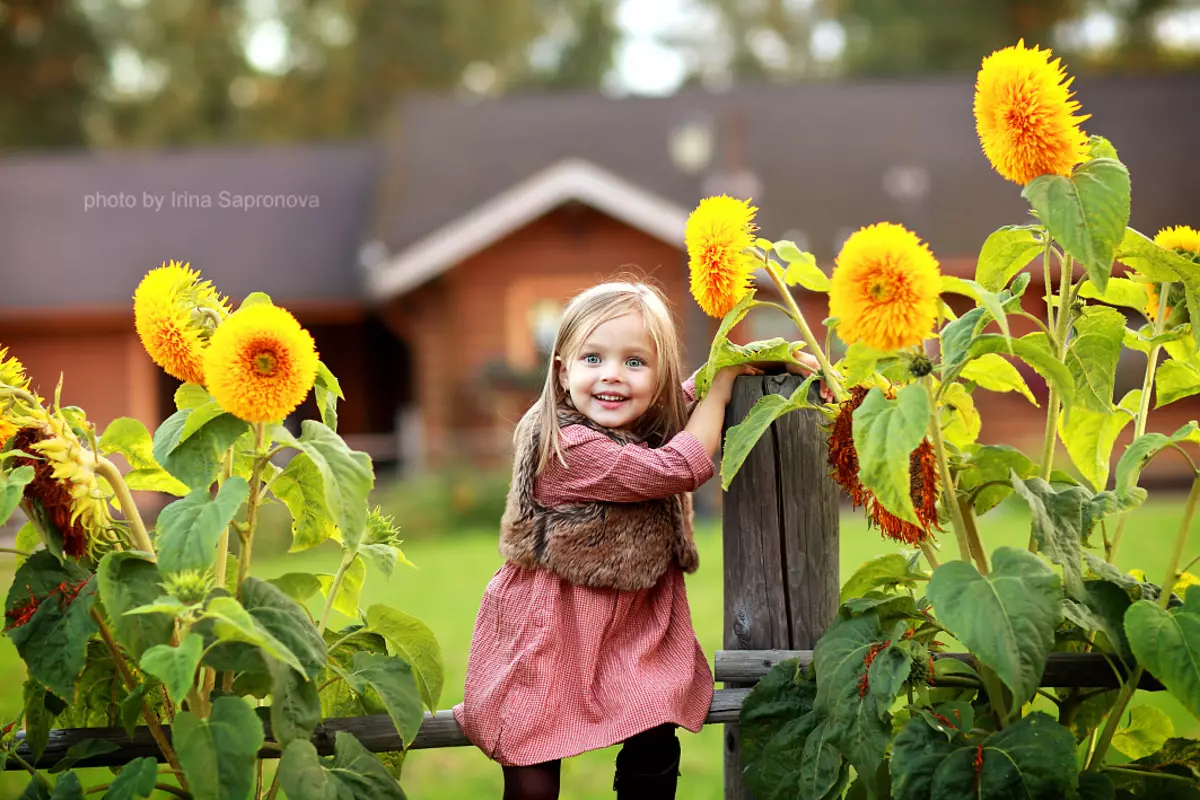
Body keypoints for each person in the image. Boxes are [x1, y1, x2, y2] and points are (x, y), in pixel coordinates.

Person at [453, 281, 825, 799]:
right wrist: (720, 390)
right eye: (592, 358)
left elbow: (677, 403)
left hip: (628, 624)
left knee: (654, 725)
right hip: (550, 624)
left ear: (659, 377)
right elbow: (677, 466)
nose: (611, 375)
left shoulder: (623, 422)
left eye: (635, 362)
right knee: (532, 757)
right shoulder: (567, 445)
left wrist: (734, 366)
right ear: (561, 371)